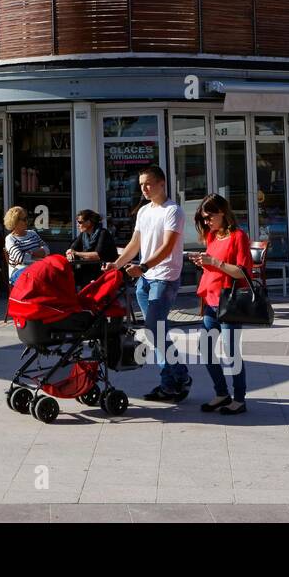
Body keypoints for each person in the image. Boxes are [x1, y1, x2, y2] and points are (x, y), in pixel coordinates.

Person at [110, 165, 191, 403]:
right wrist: (115, 265)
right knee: (155, 332)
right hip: (145, 280)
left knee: (155, 330)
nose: (144, 189)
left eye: (148, 184)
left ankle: (177, 378)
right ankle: (174, 381)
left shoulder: (173, 211)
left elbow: (167, 247)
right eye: (141, 185)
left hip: (164, 278)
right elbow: (135, 244)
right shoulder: (144, 211)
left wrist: (143, 267)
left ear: (162, 183)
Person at [187, 194, 253, 415]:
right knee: (205, 348)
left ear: (222, 212)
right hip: (210, 300)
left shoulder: (238, 236)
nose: (207, 222)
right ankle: (221, 392)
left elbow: (242, 272)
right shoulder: (212, 236)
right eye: (204, 219)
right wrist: (202, 262)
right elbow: (213, 267)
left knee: (231, 351)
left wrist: (213, 262)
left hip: (229, 302)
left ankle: (239, 398)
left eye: (209, 217)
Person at [66, 209, 117, 288]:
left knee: (74, 278)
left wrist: (76, 253)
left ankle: (84, 298)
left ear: (89, 222)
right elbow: (72, 247)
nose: (77, 225)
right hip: (89, 268)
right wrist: (70, 252)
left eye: (80, 222)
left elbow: (97, 255)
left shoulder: (103, 233)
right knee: (66, 276)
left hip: (103, 270)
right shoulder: (84, 234)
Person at [3, 206, 48, 283]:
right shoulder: (10, 239)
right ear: (15, 222)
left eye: (27, 218)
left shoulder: (32, 233)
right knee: (41, 278)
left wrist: (31, 253)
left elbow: (47, 250)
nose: (27, 221)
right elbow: (20, 258)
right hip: (19, 271)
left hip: (38, 268)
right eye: (24, 219)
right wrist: (39, 254)